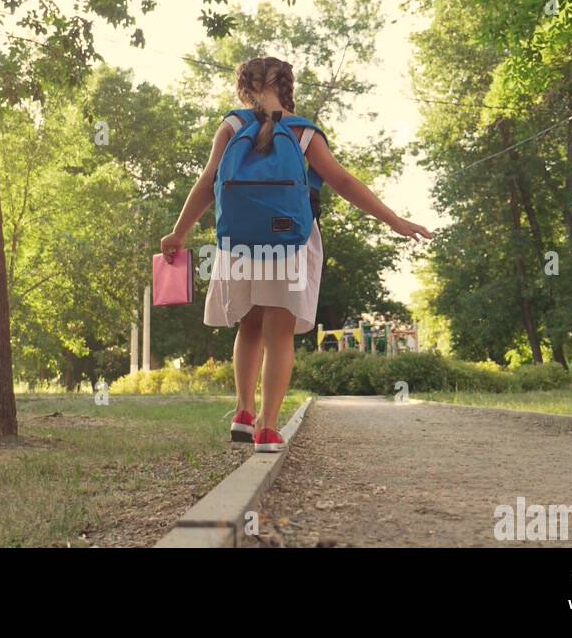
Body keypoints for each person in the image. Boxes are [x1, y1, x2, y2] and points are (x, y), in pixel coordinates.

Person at [160, 57, 431, 452]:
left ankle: (242, 414)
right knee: (279, 332)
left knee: (249, 327)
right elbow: (343, 181)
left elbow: (207, 182)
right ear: (288, 86)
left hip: (238, 242)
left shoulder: (232, 125)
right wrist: (395, 221)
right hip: (289, 240)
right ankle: (269, 428)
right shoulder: (304, 132)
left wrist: (178, 233)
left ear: (244, 87)